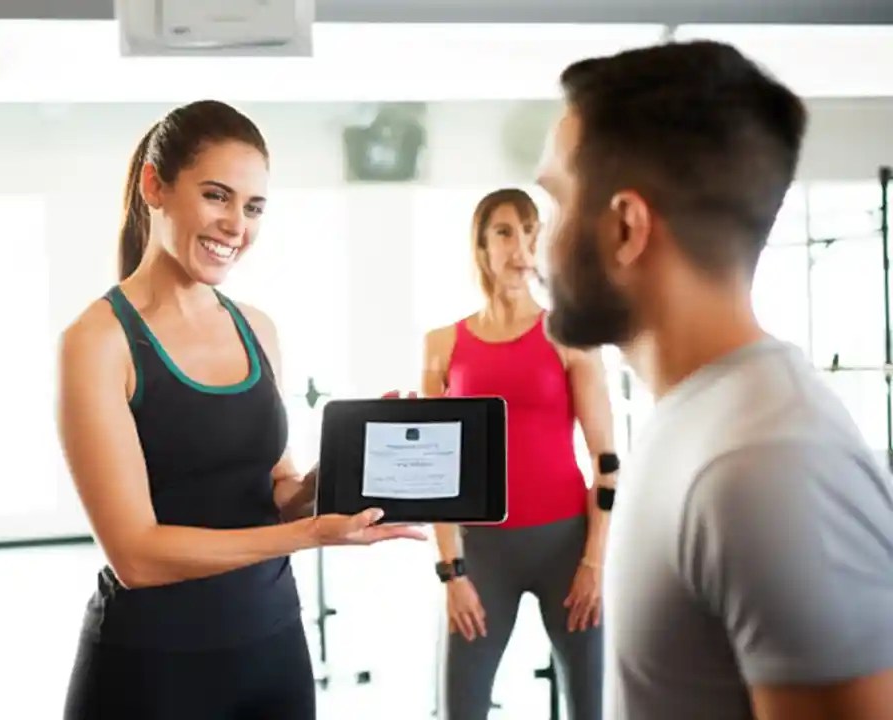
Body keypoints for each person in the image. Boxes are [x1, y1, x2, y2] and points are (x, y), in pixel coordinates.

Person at [537, 39, 893, 719]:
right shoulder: (700, 419)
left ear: (625, 227)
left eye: (554, 202)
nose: (537, 249)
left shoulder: (768, 462)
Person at [57, 99, 425, 720]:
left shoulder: (258, 329)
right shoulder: (98, 341)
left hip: (273, 650)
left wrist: (333, 479)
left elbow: (276, 489)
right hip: (152, 669)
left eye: (253, 207)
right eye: (217, 196)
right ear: (155, 185)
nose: (236, 225)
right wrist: (308, 535)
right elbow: (137, 556)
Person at [414, 188, 615, 720]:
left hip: (567, 549)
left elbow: (608, 463)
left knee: (589, 709)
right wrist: (451, 573)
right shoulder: (442, 344)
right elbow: (437, 472)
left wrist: (594, 562)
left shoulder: (570, 338)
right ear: (481, 247)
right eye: (504, 232)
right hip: (482, 556)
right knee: (461, 709)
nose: (520, 246)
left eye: (531, 232)